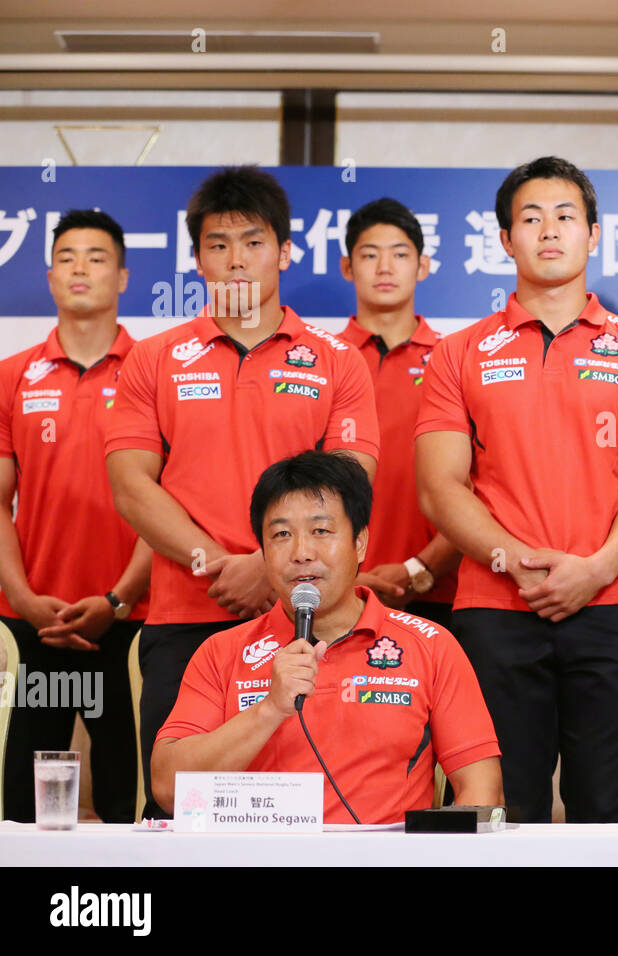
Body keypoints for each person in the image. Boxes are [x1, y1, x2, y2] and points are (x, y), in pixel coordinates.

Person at [415, 156, 618, 823]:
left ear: (594, 234)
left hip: (616, 605)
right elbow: (440, 489)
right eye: (530, 219)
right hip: (495, 608)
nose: (549, 231)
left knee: (613, 808)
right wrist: (514, 560)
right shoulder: (457, 354)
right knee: (503, 808)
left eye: (566, 217)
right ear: (505, 240)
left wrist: (593, 571)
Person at [105, 165, 380, 816]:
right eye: (218, 244)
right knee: (181, 807)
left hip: (310, 619)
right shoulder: (154, 359)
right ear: (196, 256)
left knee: (308, 804)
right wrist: (212, 561)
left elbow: (349, 480)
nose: (236, 261)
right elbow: (130, 485)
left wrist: (269, 566)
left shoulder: (336, 360)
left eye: (253, 242)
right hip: (185, 617)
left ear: (285, 251)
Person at [151, 451, 501, 823]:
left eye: (321, 531)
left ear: (360, 543)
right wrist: (269, 709)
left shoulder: (431, 645)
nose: (302, 553)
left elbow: (481, 788)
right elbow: (170, 791)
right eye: (282, 535)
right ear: (263, 553)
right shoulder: (221, 653)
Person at [0, 210, 151, 823]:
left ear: (123, 276)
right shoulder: (11, 376)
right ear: (49, 275)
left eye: (96, 256)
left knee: (130, 798)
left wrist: (117, 599)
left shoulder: (155, 370)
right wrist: (24, 597)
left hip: (132, 622)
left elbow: (169, 504)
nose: (81, 268)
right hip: (33, 624)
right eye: (67, 257)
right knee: (23, 807)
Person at [338, 198, 461, 628]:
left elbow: (484, 485)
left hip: (444, 588)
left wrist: (420, 568)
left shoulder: (457, 359)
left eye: (400, 254)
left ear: (423, 266)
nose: (385, 267)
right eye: (370, 255)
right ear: (347, 268)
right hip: (332, 594)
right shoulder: (319, 360)